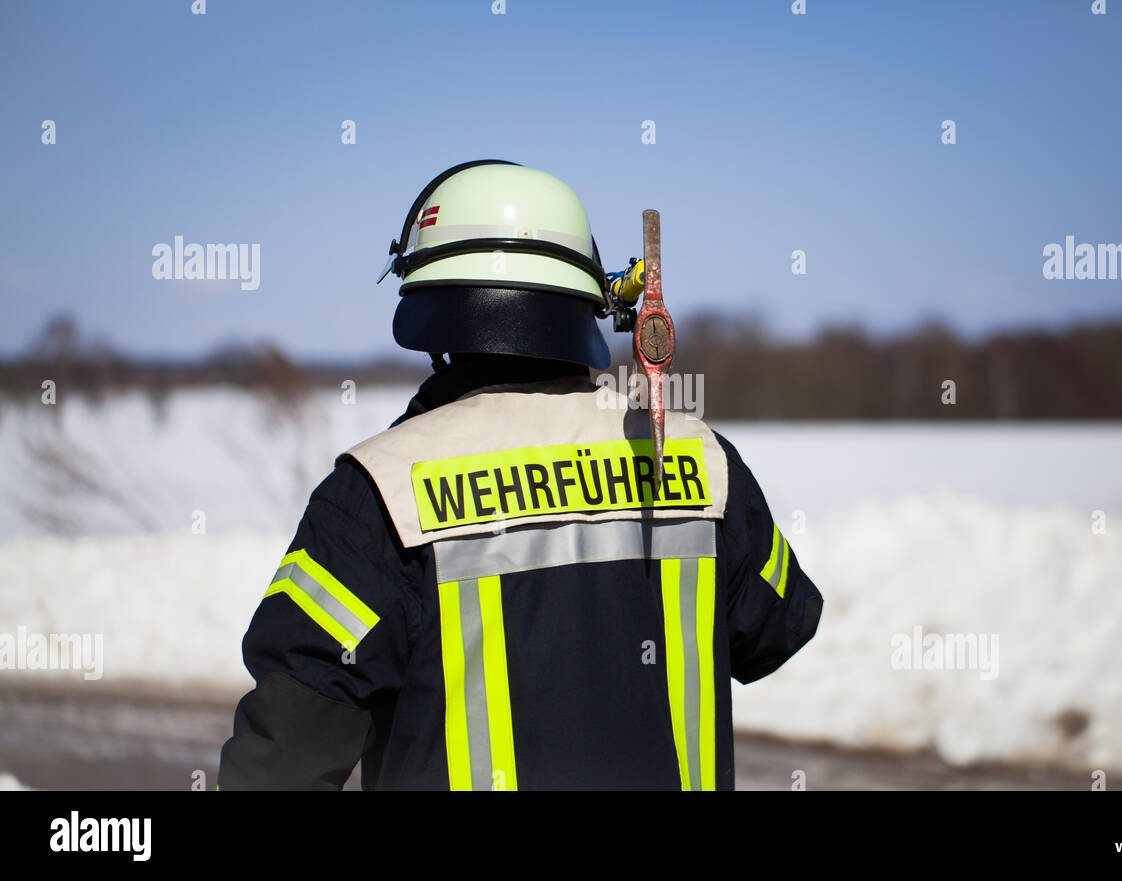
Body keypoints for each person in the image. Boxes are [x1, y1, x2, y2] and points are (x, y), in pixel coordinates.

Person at [217, 160, 822, 790]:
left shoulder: (378, 493)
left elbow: (284, 759)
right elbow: (777, 629)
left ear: (433, 314)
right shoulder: (702, 461)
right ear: (590, 303)